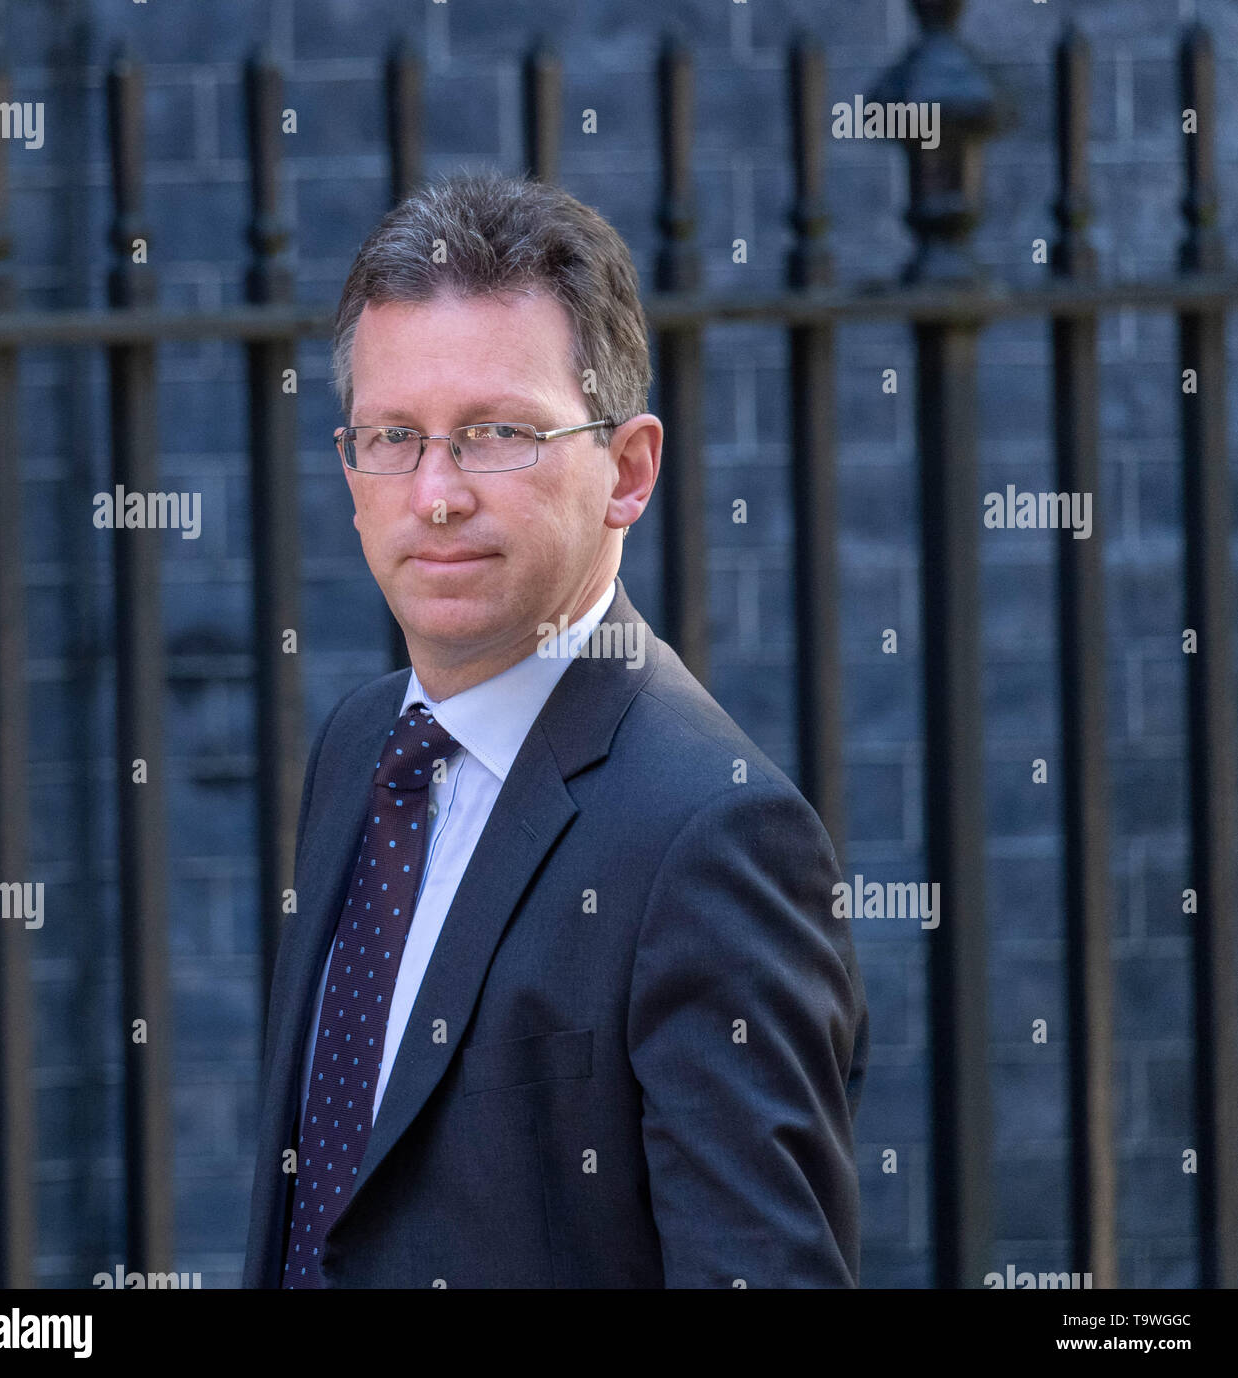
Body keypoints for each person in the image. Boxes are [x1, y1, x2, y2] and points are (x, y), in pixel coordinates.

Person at [242, 169, 868, 1288]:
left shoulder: (714, 837)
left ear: (627, 471)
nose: (435, 493)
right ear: (350, 467)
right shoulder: (360, 745)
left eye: (496, 433)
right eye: (394, 435)